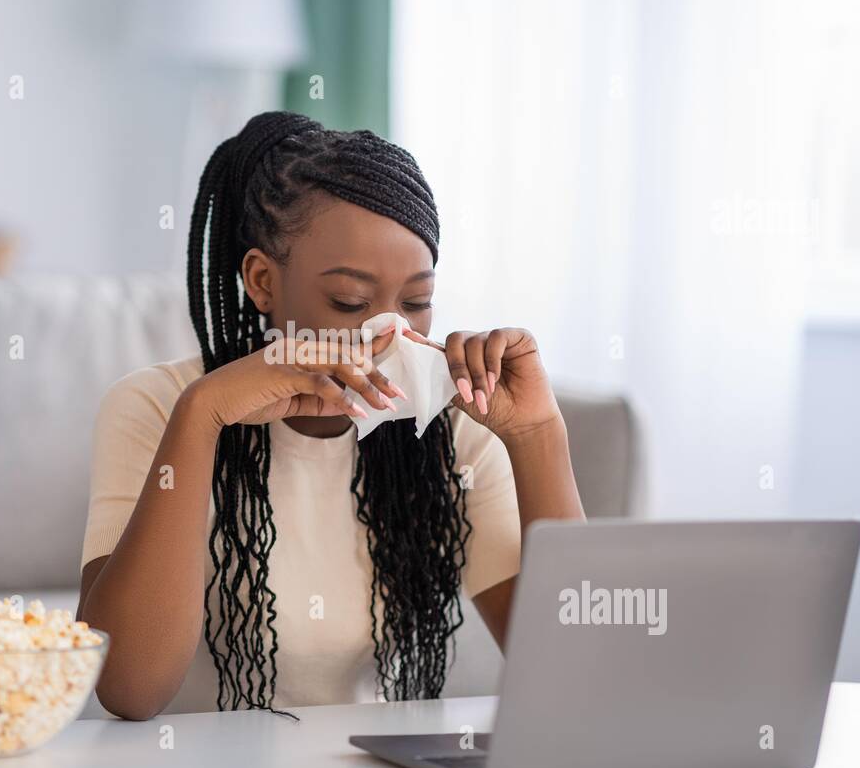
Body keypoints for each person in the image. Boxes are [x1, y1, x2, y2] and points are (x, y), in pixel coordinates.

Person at [77, 111, 584, 721]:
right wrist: (203, 415)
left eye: (417, 302)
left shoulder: (452, 434)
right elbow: (129, 689)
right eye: (350, 301)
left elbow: (575, 680)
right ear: (263, 282)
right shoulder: (158, 406)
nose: (393, 330)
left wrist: (536, 435)